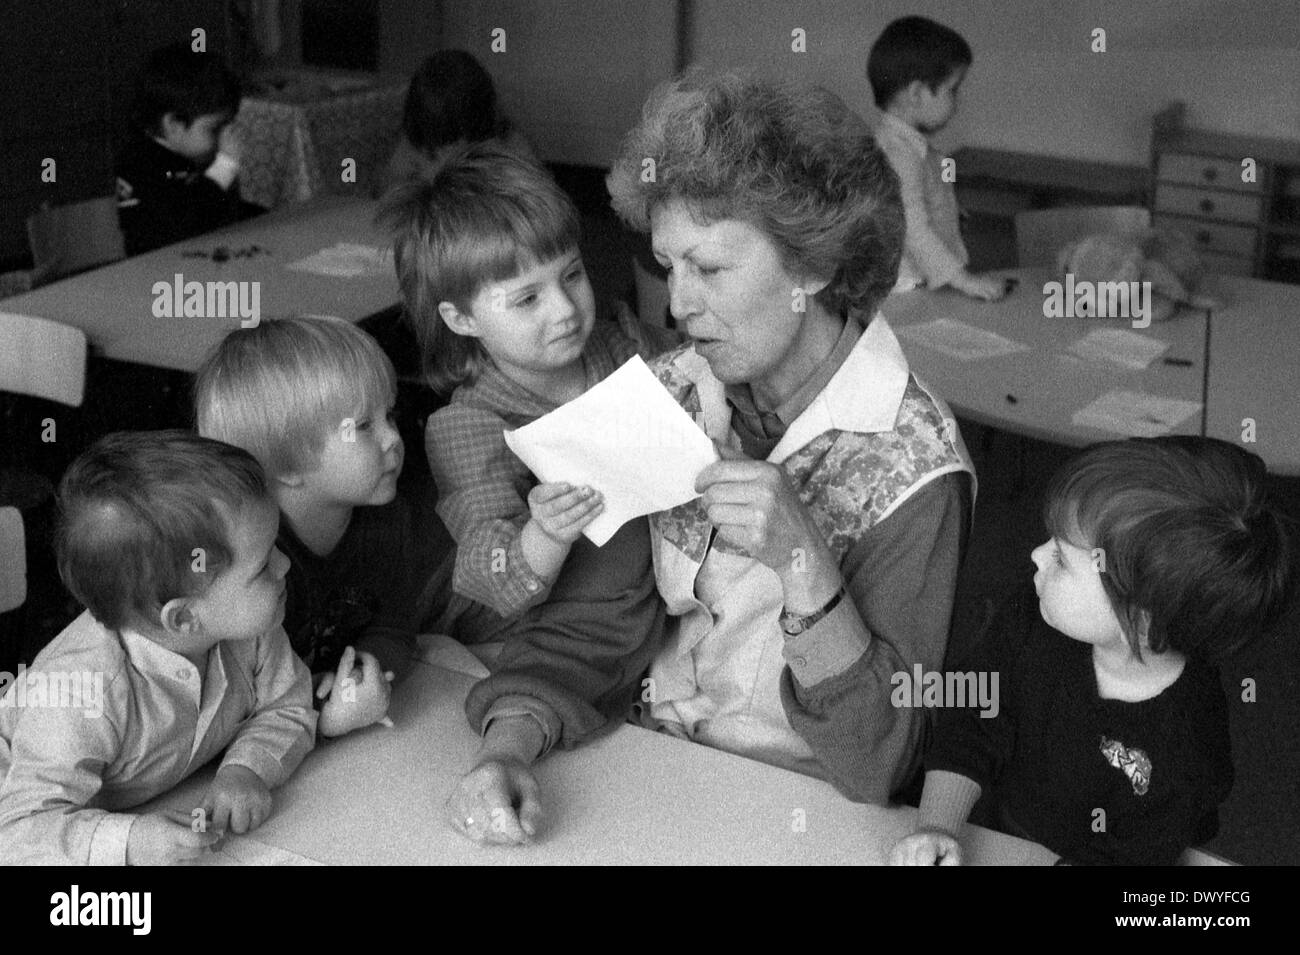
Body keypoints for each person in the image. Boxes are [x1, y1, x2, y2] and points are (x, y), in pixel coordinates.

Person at [443, 71, 975, 844]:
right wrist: (507, 747)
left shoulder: (917, 464)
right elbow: (588, 628)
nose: (678, 305)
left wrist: (802, 560)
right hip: (646, 770)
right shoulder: (670, 393)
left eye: (711, 267)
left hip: (796, 818)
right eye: (669, 265)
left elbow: (876, 757)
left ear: (814, 266)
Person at [381, 142, 669, 842]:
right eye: (527, 298)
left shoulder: (615, 344)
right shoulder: (467, 424)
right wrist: (543, 532)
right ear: (460, 319)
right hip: (519, 618)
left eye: (571, 275)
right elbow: (490, 571)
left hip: (633, 586)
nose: (565, 309)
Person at [892, 437, 1295, 866]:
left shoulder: (1188, 749)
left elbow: (1138, 851)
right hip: (1000, 822)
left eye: (1062, 559)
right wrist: (937, 825)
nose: (1035, 555)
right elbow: (971, 718)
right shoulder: (1033, 616)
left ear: (1140, 618)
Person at [0, 431, 315, 865]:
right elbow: (16, 834)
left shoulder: (248, 622)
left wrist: (247, 767)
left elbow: (288, 704)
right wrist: (129, 842)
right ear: (184, 619)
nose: (285, 565)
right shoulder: (79, 692)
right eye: (262, 566)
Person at [194, 316, 502, 737]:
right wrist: (320, 714)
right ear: (287, 465)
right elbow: (234, 707)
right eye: (363, 427)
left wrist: (363, 672)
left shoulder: (387, 518)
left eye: (389, 415)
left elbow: (393, 627)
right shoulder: (250, 562)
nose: (394, 438)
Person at [868, 16, 1005, 301]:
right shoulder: (898, 155)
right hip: (904, 290)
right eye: (952, 89)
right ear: (917, 93)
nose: (957, 101)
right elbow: (911, 229)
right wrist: (962, 280)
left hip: (919, 282)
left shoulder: (912, 149)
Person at [116, 42, 253, 256]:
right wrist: (223, 168)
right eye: (215, 129)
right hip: (157, 275)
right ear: (174, 125)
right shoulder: (141, 164)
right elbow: (188, 223)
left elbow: (225, 214)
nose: (224, 138)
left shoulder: (188, 154)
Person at [373, 49, 534, 196]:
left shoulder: (511, 150)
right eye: (438, 143)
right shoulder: (413, 146)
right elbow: (386, 193)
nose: (447, 151)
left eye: (455, 140)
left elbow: (536, 205)